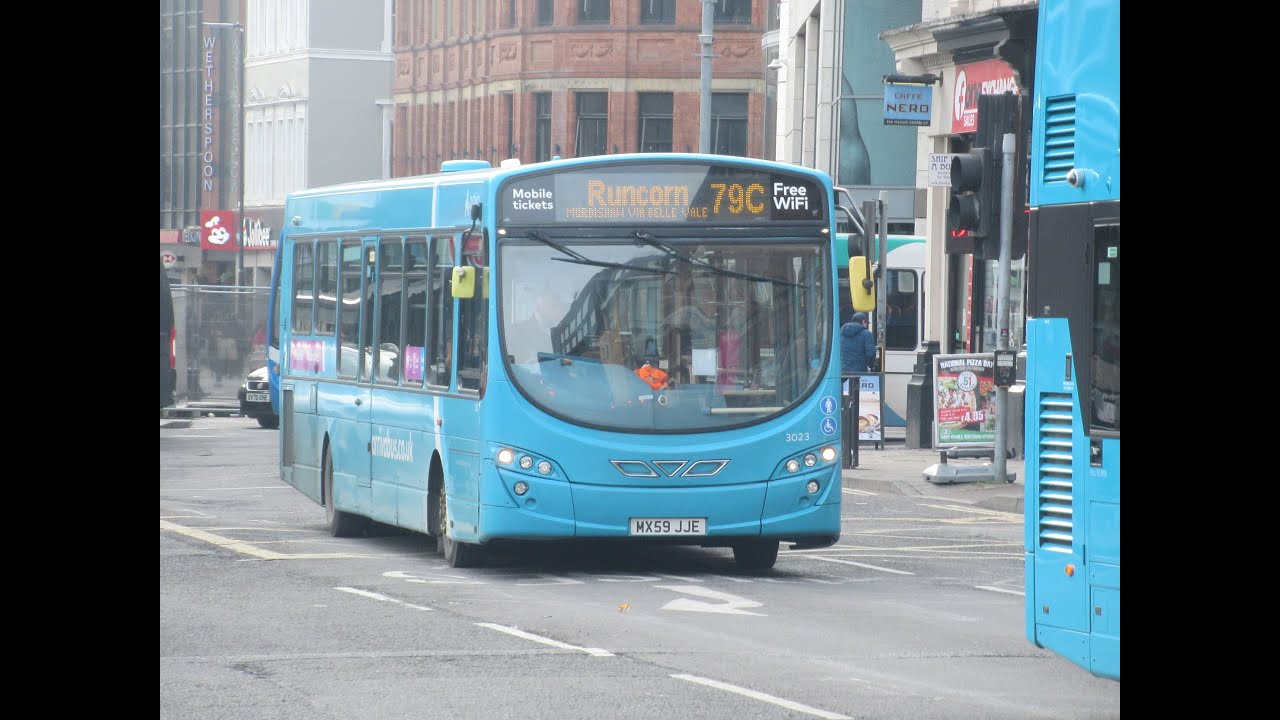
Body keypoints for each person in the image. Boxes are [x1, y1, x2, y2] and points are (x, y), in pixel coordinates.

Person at [506, 292, 566, 364]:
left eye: (559, 307)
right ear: (538, 308)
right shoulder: (518, 331)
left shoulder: (565, 331)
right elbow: (513, 361)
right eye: (552, 306)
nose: (558, 311)